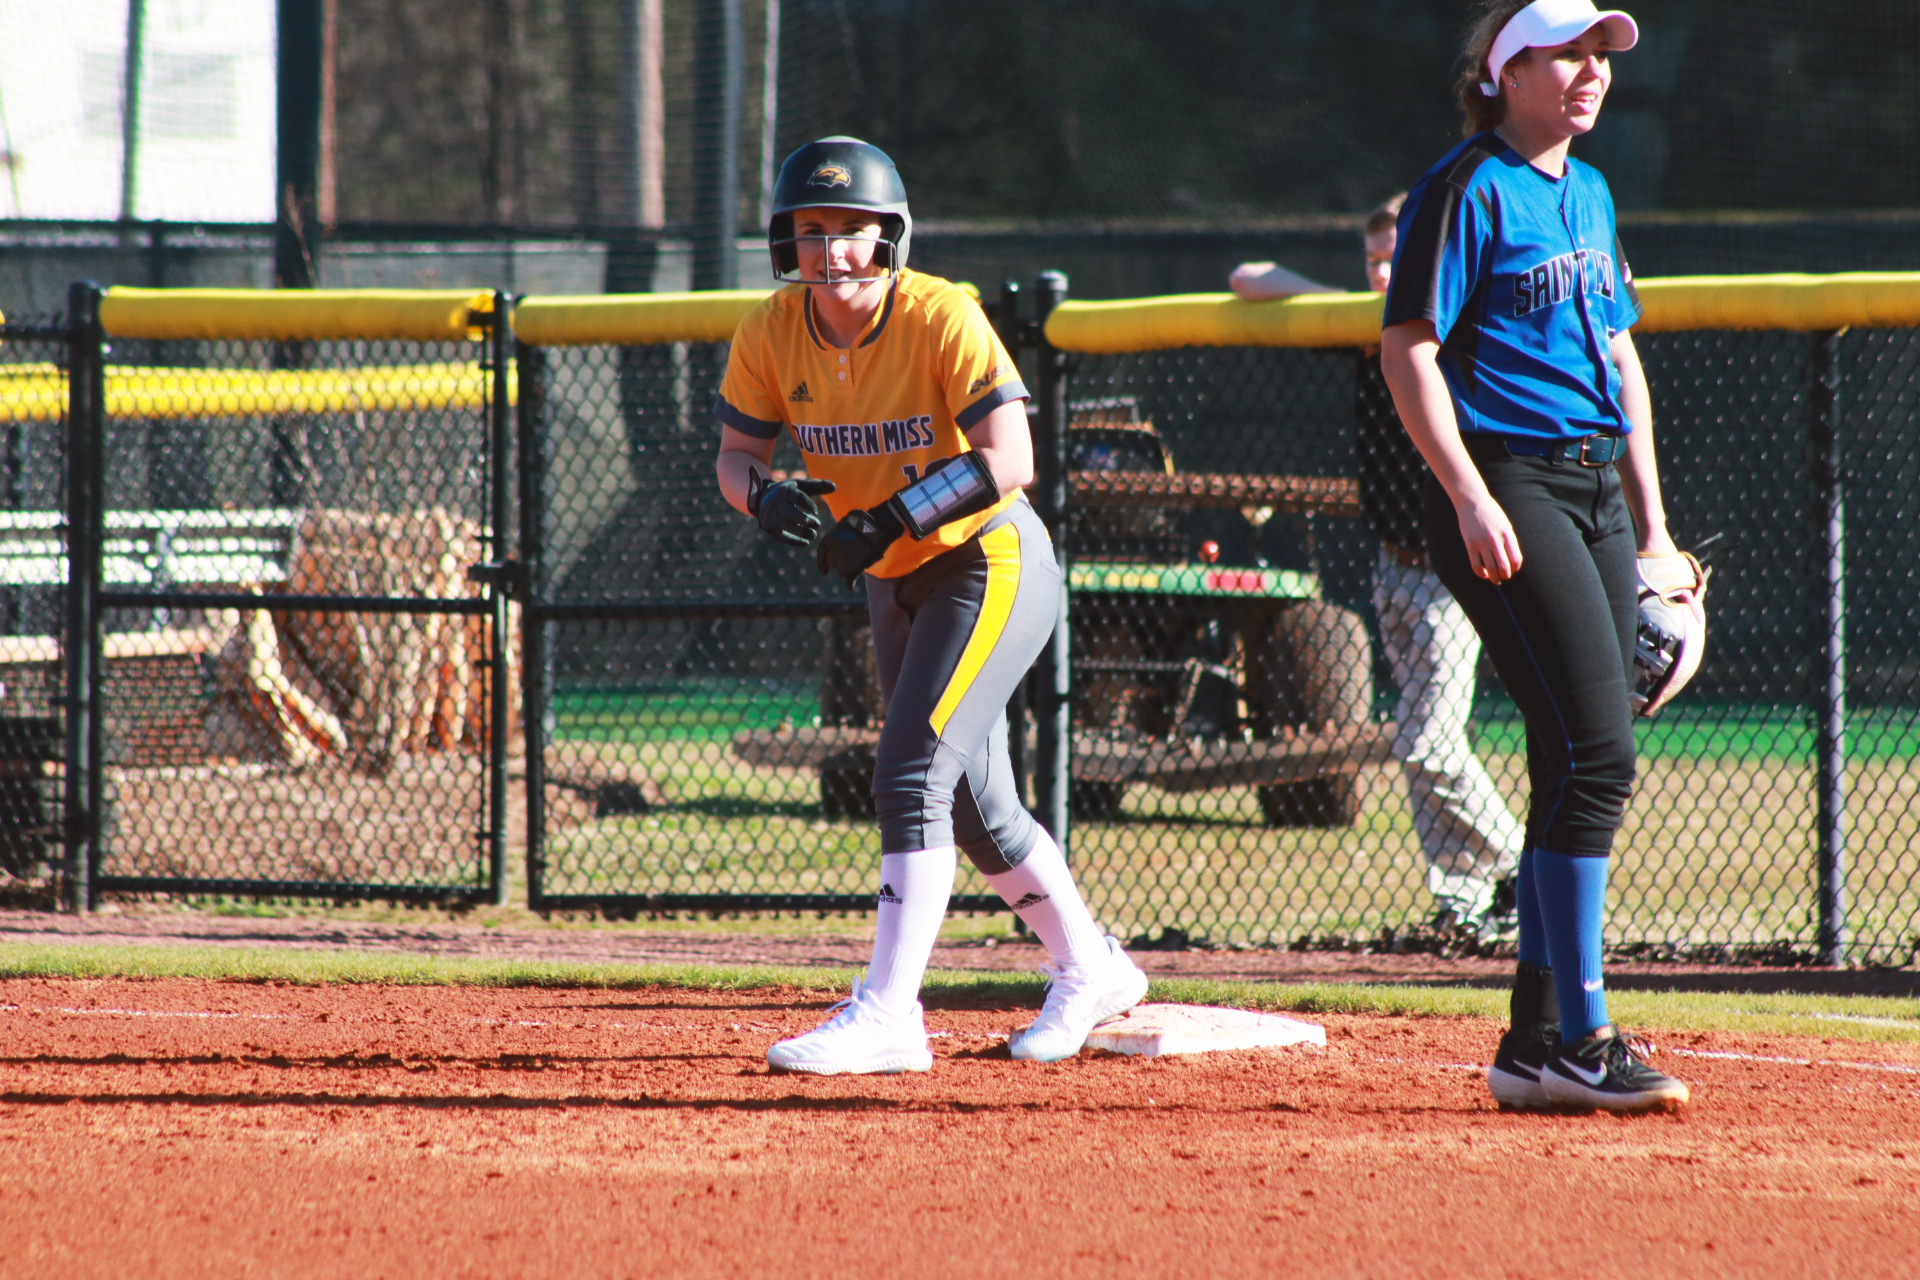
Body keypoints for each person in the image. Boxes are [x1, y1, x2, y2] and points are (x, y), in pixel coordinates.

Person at [713, 136, 1148, 1075]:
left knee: (910, 769)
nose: (833, 250)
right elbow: (734, 460)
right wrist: (770, 497)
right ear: (788, 240)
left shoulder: (939, 312)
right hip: (895, 581)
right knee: (977, 813)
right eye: (814, 230)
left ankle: (889, 1013)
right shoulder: (771, 329)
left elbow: (1011, 461)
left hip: (984, 560)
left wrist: (889, 518)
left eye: (854, 230)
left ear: (889, 237)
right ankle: (1094, 970)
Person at [1380, 0, 1700, 1113]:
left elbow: (1621, 360)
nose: (1590, 72)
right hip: (1507, 484)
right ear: (1503, 70)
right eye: (1566, 53)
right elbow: (1409, 346)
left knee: (1578, 758)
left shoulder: (1590, 192)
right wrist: (1466, 493)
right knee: (1596, 753)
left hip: (1592, 485)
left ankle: (1534, 1040)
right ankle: (1585, 1034)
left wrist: (1656, 530)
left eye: (1600, 55)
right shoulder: (1466, 188)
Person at [1230, 197, 1526, 939]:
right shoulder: (1372, 326)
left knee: (1426, 742)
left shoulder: (1451, 329)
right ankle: (1465, 901)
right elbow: (1247, 276)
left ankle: (1524, 869)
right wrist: (1364, 302)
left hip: (1449, 573)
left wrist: (1396, 303)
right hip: (1392, 567)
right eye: (1374, 261)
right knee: (1421, 748)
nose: (1386, 272)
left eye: (1400, 257)